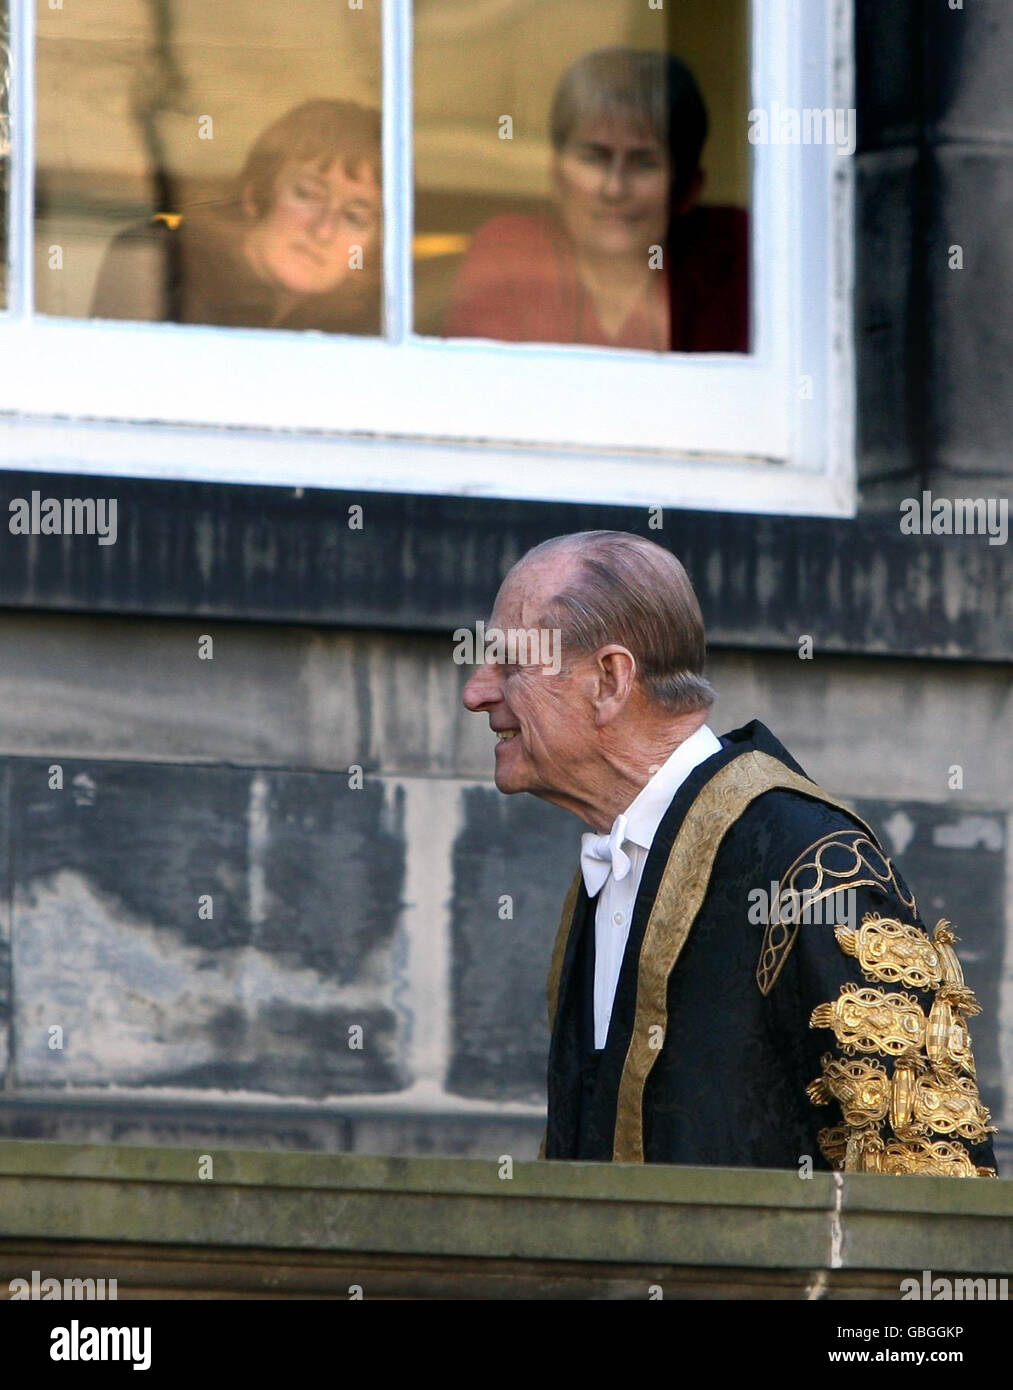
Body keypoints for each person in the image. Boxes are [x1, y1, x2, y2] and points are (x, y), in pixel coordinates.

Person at [461, 531, 998, 1175]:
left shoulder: (816, 864)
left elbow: (929, 1184)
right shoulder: (611, 863)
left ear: (610, 679)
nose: (476, 692)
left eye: (510, 663)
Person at [443, 49, 748, 352]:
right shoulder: (509, 251)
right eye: (594, 158)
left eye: (644, 163)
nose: (614, 188)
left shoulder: (734, 253)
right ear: (557, 176)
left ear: (688, 188)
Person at [90, 99, 382, 334]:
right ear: (255, 196)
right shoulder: (161, 259)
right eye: (307, 195)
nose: (323, 231)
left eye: (355, 218)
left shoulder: (370, 329)